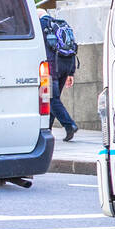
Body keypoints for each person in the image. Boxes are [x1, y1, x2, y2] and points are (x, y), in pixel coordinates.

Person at [39, 12, 78, 141]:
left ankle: (69, 125)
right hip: (66, 65)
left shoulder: (41, 24)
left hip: (52, 67)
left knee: (51, 99)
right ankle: (47, 130)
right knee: (53, 100)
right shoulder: (61, 24)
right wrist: (71, 73)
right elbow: (73, 47)